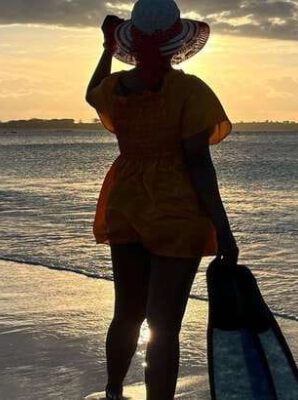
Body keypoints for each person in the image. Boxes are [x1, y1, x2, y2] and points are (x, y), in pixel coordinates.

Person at [85, 0, 238, 398]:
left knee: (127, 314)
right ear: (176, 42)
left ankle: (114, 391)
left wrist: (105, 48)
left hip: (127, 202)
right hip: (176, 208)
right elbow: (198, 163)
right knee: (164, 325)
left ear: (129, 42)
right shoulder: (189, 90)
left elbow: (90, 94)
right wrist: (223, 228)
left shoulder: (117, 88)